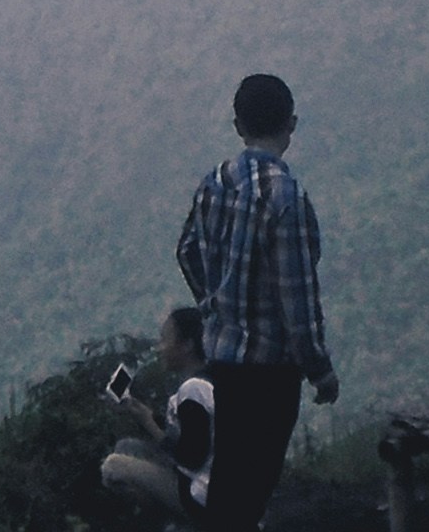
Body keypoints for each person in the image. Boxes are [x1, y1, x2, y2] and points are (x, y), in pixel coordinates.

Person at [176, 72, 336, 532]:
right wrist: (320, 370)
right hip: (270, 374)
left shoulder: (214, 183)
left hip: (224, 364)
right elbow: (297, 300)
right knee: (248, 498)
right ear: (292, 123)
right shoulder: (286, 196)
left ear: (237, 126)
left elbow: (186, 251)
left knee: (230, 492)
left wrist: (215, 305)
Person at [100, 305, 219, 524]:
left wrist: (151, 425)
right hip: (203, 482)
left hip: (200, 496)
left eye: (165, 339)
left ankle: (172, 523)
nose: (160, 348)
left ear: (187, 346)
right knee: (128, 447)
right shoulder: (207, 379)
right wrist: (146, 414)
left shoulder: (195, 390)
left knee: (113, 466)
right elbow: (191, 434)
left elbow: (190, 458)